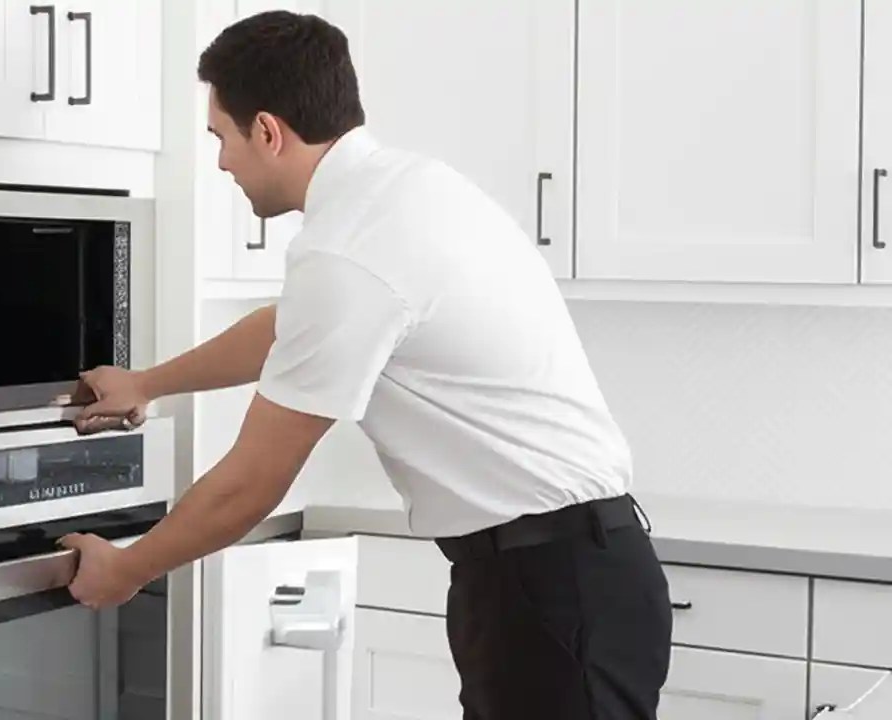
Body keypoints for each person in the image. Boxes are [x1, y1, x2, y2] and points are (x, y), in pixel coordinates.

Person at [57, 9, 672, 719]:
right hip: (565, 575)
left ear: (267, 131)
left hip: (551, 587)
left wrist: (127, 570)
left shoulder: (348, 252)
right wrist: (147, 383)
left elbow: (251, 483)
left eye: (220, 137)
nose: (221, 161)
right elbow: (287, 329)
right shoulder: (404, 192)